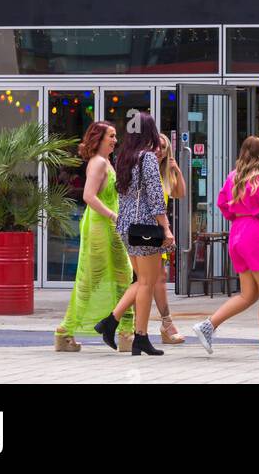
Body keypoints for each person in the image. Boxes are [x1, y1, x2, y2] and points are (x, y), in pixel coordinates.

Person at [192, 136, 259, 360]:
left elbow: (222, 204)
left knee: (248, 294)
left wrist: (237, 216)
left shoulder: (234, 177)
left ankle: (208, 326)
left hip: (238, 233)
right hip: (257, 235)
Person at [95, 112, 173, 357]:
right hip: (146, 228)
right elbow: (155, 196)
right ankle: (139, 336)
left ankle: (111, 323)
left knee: (141, 281)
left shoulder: (123, 158)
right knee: (147, 283)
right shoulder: (148, 159)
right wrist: (166, 228)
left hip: (127, 227)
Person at [54, 121, 134, 352]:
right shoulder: (98, 163)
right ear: (98, 139)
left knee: (123, 276)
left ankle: (125, 332)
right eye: (111, 135)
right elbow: (89, 196)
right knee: (95, 279)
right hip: (101, 226)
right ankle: (66, 331)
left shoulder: (106, 162)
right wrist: (113, 215)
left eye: (115, 136)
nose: (115, 140)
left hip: (108, 225)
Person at [153, 133, 186, 344]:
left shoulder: (164, 173)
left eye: (164, 147)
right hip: (149, 232)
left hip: (158, 233)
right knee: (148, 281)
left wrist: (177, 170)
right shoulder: (145, 171)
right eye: (157, 146)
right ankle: (166, 324)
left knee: (159, 280)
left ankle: (166, 323)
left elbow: (180, 193)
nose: (159, 150)